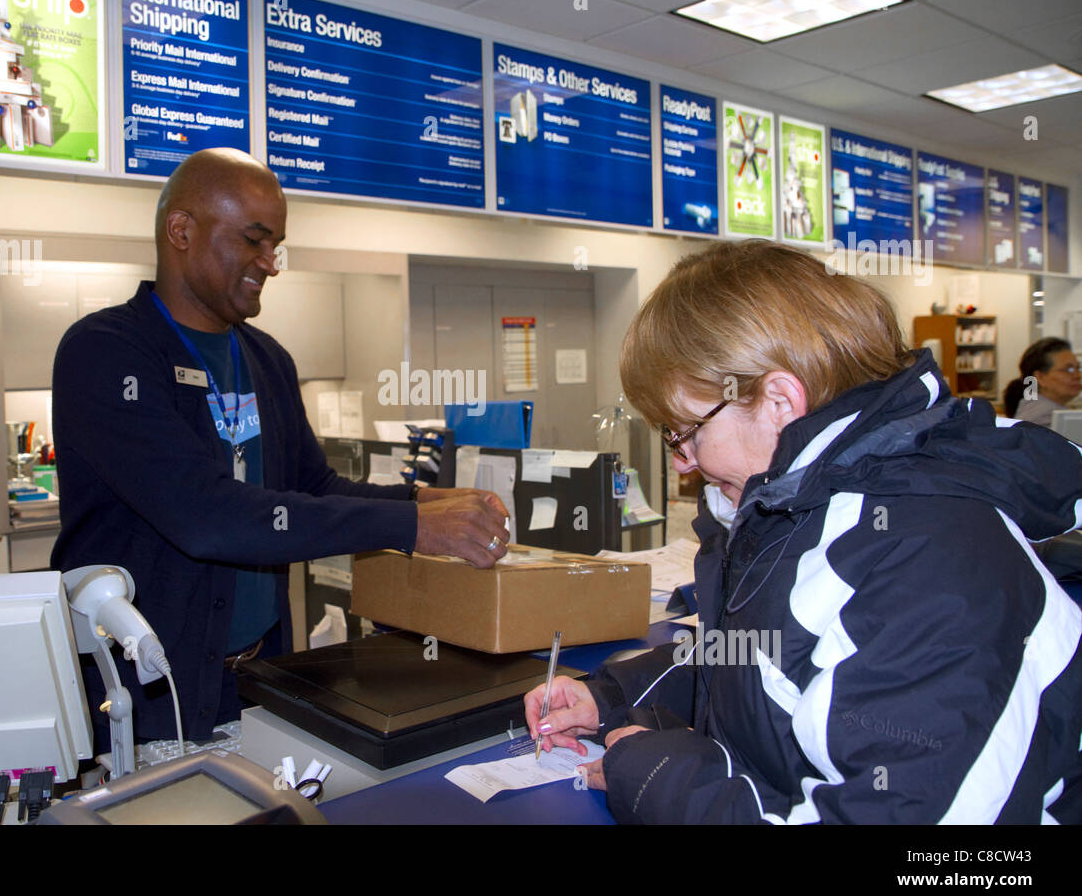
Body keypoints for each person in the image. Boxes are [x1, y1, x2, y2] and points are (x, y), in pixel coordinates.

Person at [526, 240, 1082, 824]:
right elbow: (770, 662)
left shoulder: (931, 555)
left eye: (685, 431)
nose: (683, 461)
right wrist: (616, 696)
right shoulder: (796, 511)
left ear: (781, 403)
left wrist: (665, 785)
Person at [52, 148, 508, 749]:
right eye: (253, 240)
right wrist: (411, 526)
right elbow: (206, 517)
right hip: (148, 701)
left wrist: (423, 498)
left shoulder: (266, 359)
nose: (271, 263)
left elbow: (311, 489)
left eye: (277, 245)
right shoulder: (107, 353)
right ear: (181, 231)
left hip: (261, 679)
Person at [1003, 337, 1080, 425]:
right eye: (1068, 369)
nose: (1077, 375)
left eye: (1078, 368)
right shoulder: (1044, 417)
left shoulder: (1033, 408)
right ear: (1040, 377)